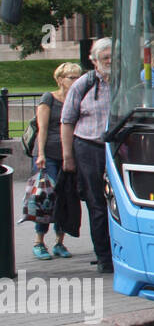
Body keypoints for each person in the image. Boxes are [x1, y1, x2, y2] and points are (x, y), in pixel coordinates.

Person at [62, 38, 114, 273]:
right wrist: (68, 156)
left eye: (114, 57)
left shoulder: (127, 82)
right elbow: (67, 120)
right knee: (97, 204)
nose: (110, 61)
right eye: (105, 58)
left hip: (119, 148)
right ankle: (104, 256)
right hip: (90, 148)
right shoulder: (83, 84)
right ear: (94, 61)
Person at [30, 62, 82, 260]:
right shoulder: (49, 98)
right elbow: (42, 128)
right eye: (71, 77)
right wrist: (41, 154)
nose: (76, 81)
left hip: (68, 155)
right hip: (49, 154)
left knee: (66, 197)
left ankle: (59, 242)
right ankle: (39, 240)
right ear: (60, 80)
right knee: (47, 197)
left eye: (78, 77)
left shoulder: (77, 100)